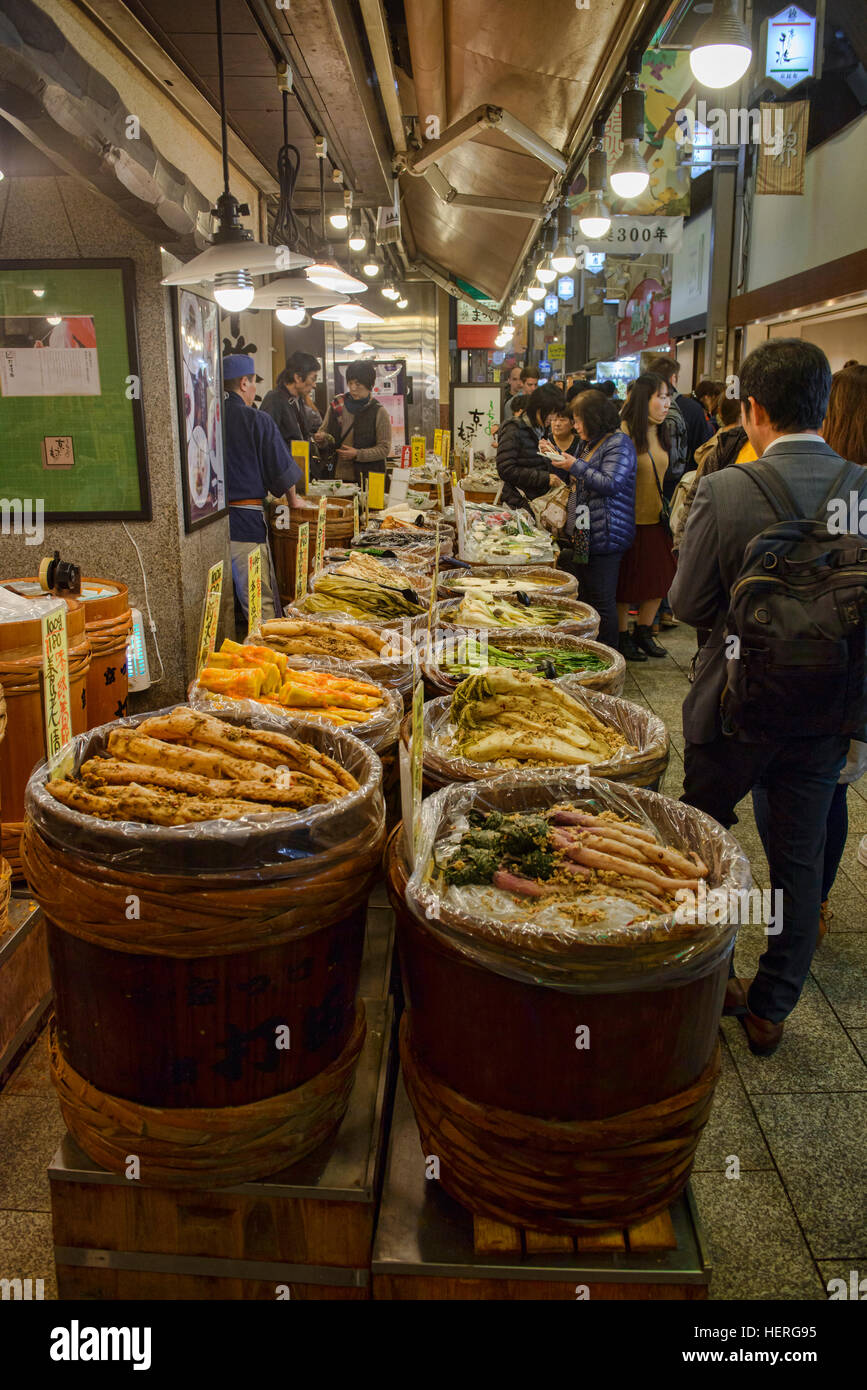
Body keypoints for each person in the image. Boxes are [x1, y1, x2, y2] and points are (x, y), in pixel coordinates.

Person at [671, 339, 862, 1056]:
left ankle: (708, 977)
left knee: (702, 844)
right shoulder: (863, 489)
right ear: (823, 404)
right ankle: (771, 1006)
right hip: (824, 713)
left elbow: (687, 603)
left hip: (730, 707)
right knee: (799, 858)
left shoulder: (725, 490)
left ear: (751, 409)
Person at [753, 362, 867, 940]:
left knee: (780, 791)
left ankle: (793, 905)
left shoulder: (750, 480)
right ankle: (812, 904)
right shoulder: (858, 485)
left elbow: (694, 599)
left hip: (770, 670)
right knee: (833, 786)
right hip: (847, 674)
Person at [547, 389, 636, 649]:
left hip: (607, 533)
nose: (575, 425)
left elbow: (611, 483)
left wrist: (574, 465)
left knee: (602, 600)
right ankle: (593, 648)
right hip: (587, 531)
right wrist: (556, 457)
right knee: (587, 596)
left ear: (594, 418)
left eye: (578, 419)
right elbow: (582, 474)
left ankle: (609, 654)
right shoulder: (594, 441)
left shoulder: (619, 444)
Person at [222, 353, 304, 627]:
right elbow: (281, 473)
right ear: (244, 383)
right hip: (245, 525)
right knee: (259, 603)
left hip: (206, 528)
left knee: (224, 608)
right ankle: (269, 661)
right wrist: (294, 500)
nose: (255, 388)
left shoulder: (206, 419)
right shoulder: (255, 420)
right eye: (253, 382)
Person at [615, 373, 676, 662]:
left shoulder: (662, 430)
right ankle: (622, 635)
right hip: (628, 521)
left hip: (656, 519)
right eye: (660, 397)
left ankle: (644, 631)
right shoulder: (624, 431)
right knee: (626, 584)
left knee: (660, 580)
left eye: (667, 397)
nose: (666, 403)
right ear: (644, 400)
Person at [645, 354, 713, 497]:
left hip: (646, 488)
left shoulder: (642, 406)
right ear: (673, 378)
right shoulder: (693, 409)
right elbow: (703, 451)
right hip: (681, 488)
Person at [317, 360, 392, 487]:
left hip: (367, 479)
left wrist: (358, 454)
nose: (353, 388)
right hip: (336, 477)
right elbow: (324, 434)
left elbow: (384, 449)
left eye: (358, 384)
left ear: (370, 385)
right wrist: (321, 438)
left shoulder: (379, 412)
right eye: (350, 383)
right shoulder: (336, 405)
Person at [496, 384, 565, 509]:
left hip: (538, 503)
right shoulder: (513, 429)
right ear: (538, 408)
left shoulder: (541, 430)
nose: (553, 418)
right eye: (551, 413)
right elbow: (505, 469)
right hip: (518, 504)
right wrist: (544, 478)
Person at [260, 351, 321, 455]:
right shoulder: (274, 400)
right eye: (313, 378)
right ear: (297, 377)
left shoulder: (298, 399)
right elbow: (265, 442)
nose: (315, 385)